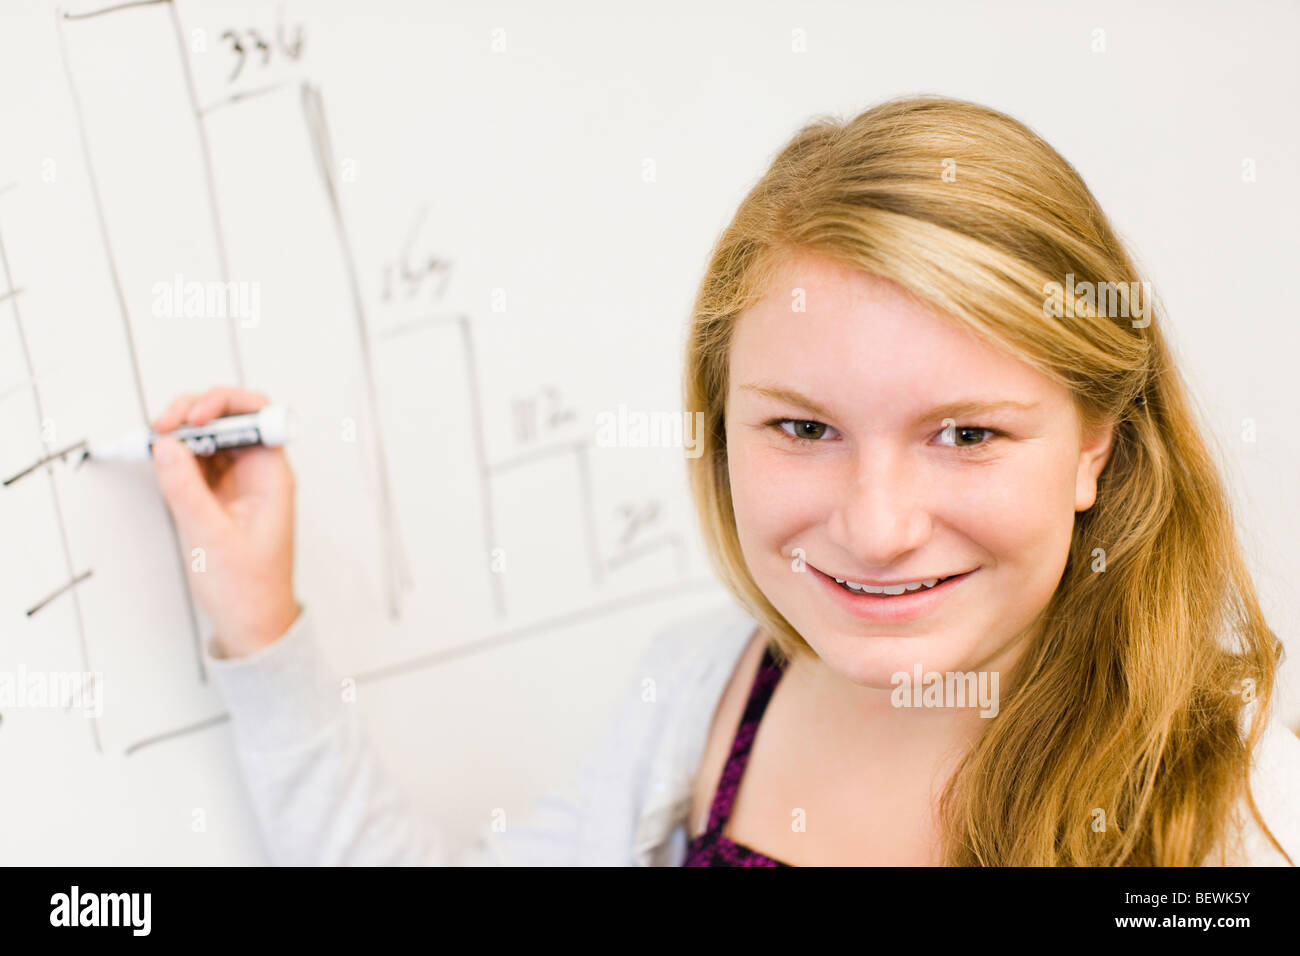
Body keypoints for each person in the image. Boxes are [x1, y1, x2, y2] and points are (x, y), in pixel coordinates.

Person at [150, 95, 1300, 866]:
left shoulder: (1232, 792)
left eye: (966, 434)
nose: (877, 525)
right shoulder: (704, 690)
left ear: (1097, 443)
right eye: (803, 426)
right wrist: (261, 632)